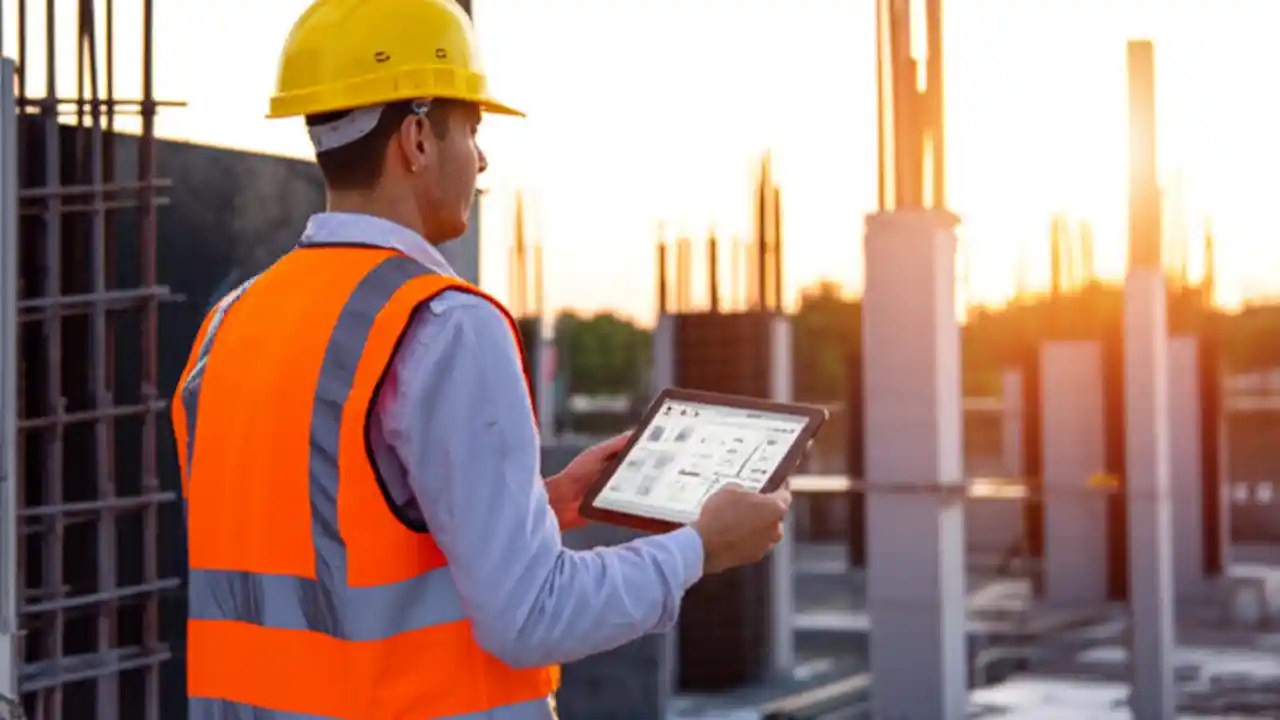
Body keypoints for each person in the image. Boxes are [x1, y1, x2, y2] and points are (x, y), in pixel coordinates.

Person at [170, 0, 792, 717]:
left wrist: (545, 505)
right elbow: (532, 617)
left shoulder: (231, 323)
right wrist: (701, 548)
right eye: (471, 128)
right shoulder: (443, 326)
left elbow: (326, 559)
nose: (482, 157)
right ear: (416, 140)